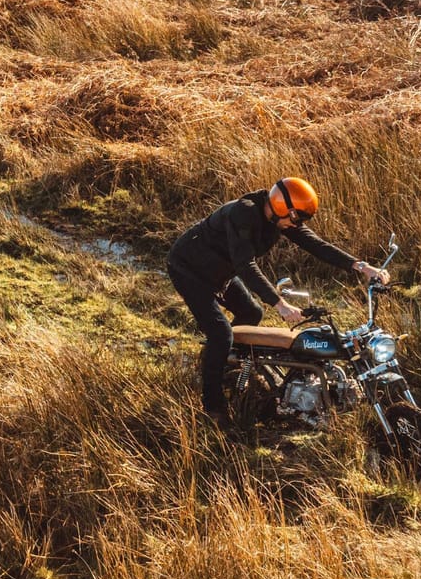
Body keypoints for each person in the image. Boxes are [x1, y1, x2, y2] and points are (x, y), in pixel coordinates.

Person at [167, 177, 390, 423]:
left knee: (251, 315)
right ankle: (213, 406)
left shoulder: (280, 220)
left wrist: (361, 266)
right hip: (190, 270)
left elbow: (317, 245)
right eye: (296, 219)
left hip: (221, 272)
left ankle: (224, 363)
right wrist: (279, 304)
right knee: (220, 333)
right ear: (283, 209)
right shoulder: (243, 214)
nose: (298, 225)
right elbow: (246, 265)